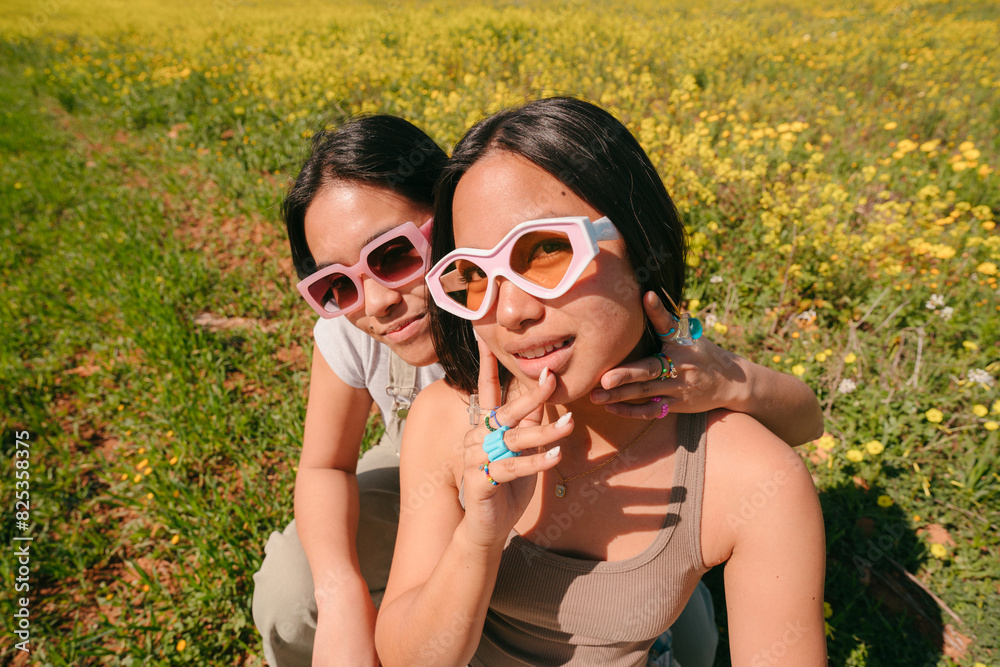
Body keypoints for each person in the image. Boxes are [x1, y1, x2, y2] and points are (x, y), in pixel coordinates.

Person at [253, 114, 824, 667]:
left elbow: (794, 433)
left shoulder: (704, 423)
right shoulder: (433, 402)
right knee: (293, 589)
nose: (510, 309)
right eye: (335, 284)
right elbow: (325, 468)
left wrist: (736, 383)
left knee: (677, 620)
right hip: (432, 474)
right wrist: (349, 594)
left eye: (396, 254)